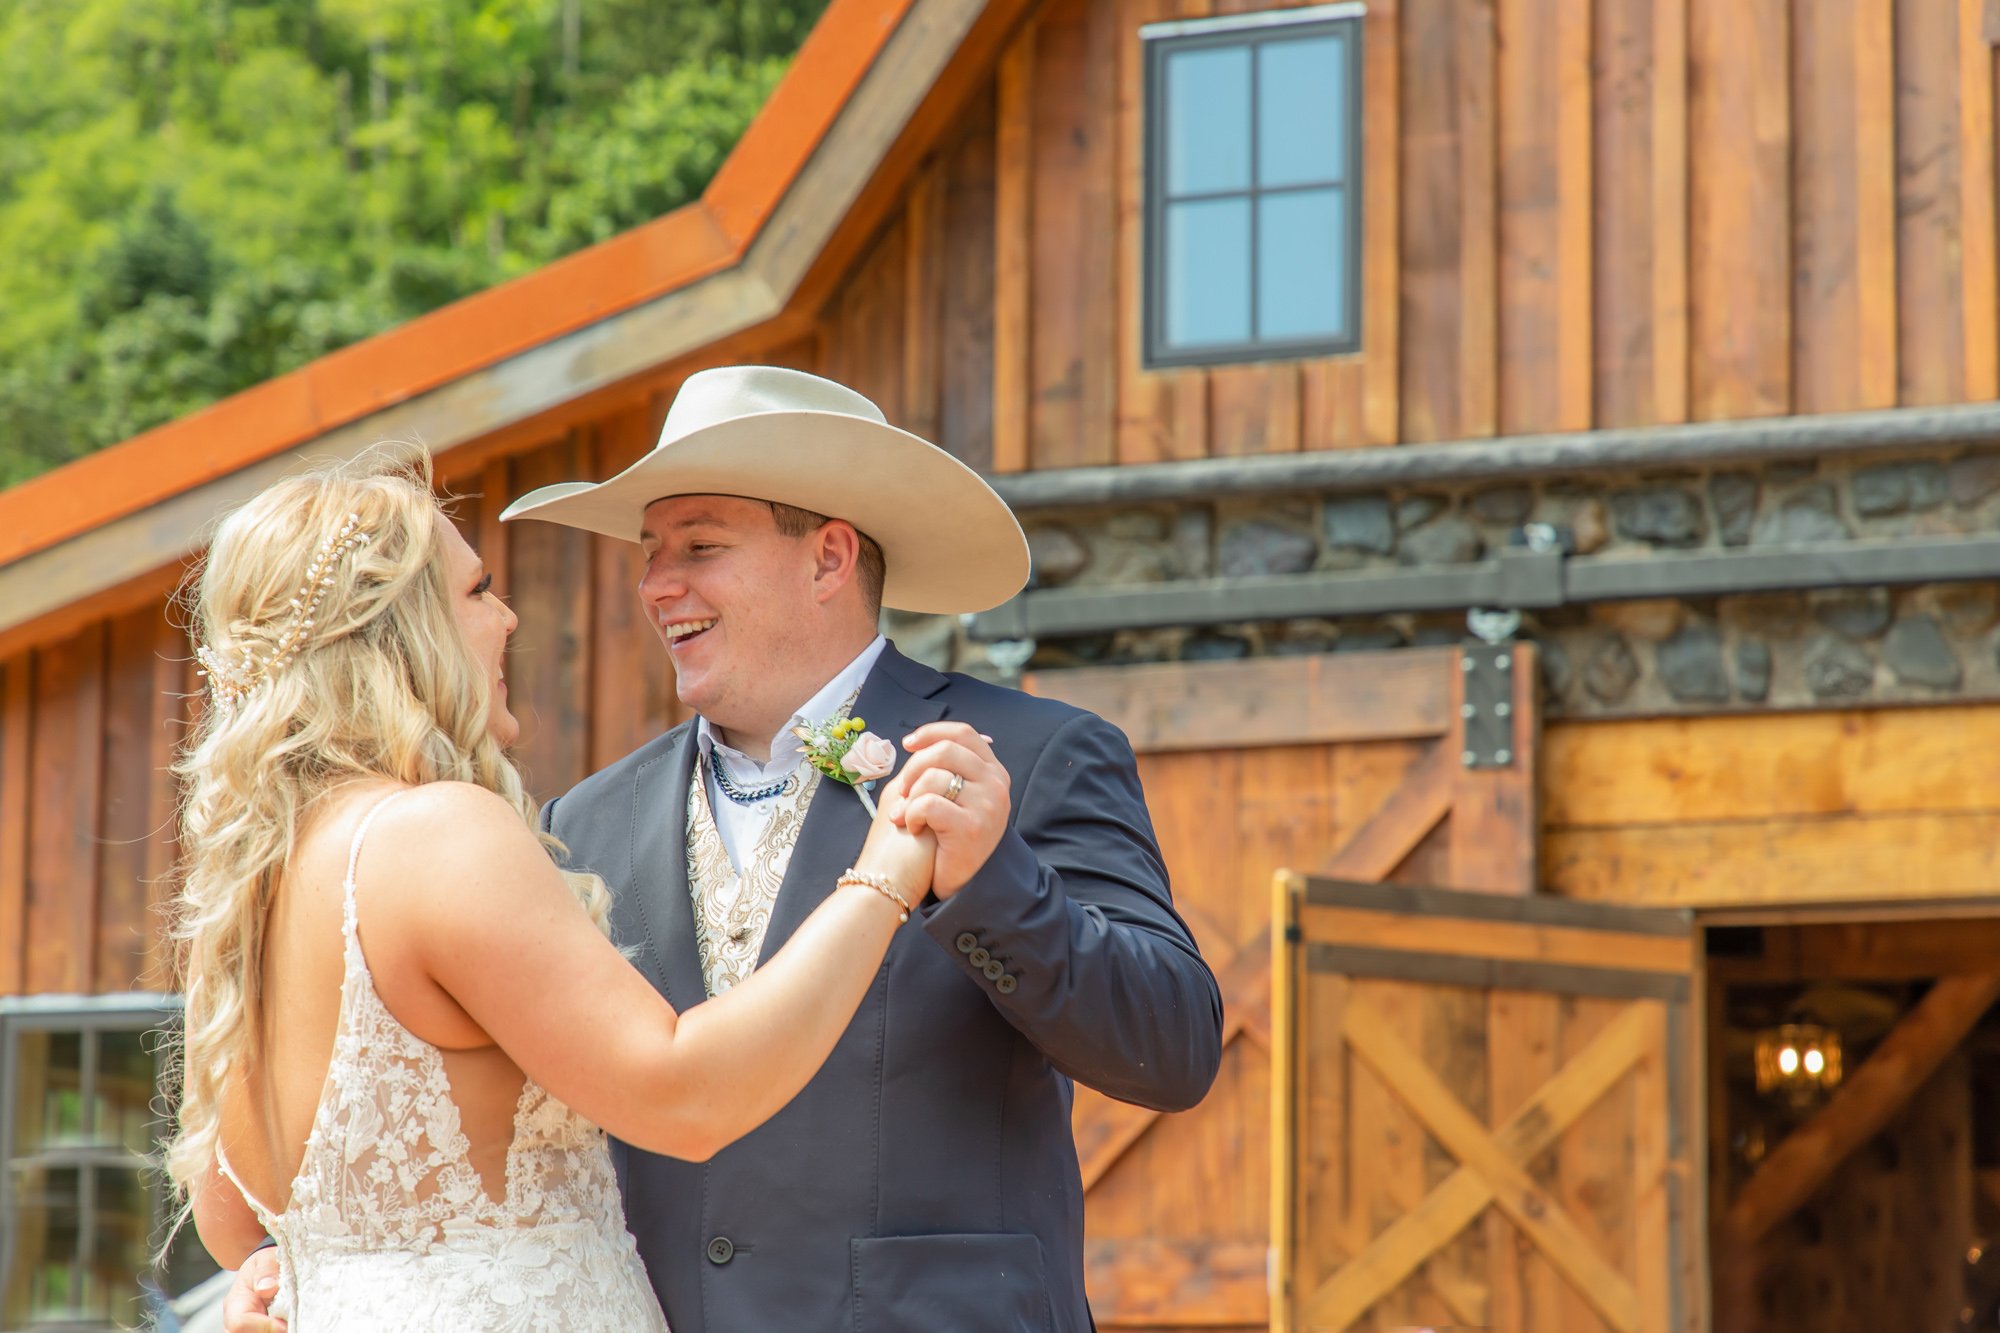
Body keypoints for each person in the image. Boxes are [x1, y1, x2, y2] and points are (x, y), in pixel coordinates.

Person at [224, 365, 1225, 1331]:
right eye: (650, 551)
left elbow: (1171, 1048)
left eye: (697, 547)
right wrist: (308, 1265)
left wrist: (992, 882)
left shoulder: (1034, 755)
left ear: (829, 557)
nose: (657, 584)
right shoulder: (579, 821)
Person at [170, 444, 938, 1331]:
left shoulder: (248, 886)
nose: (506, 617)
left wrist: (305, 1271)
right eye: (476, 589)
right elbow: (684, 1095)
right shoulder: (437, 832)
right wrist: (888, 867)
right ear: (398, 627)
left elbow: (233, 1222)